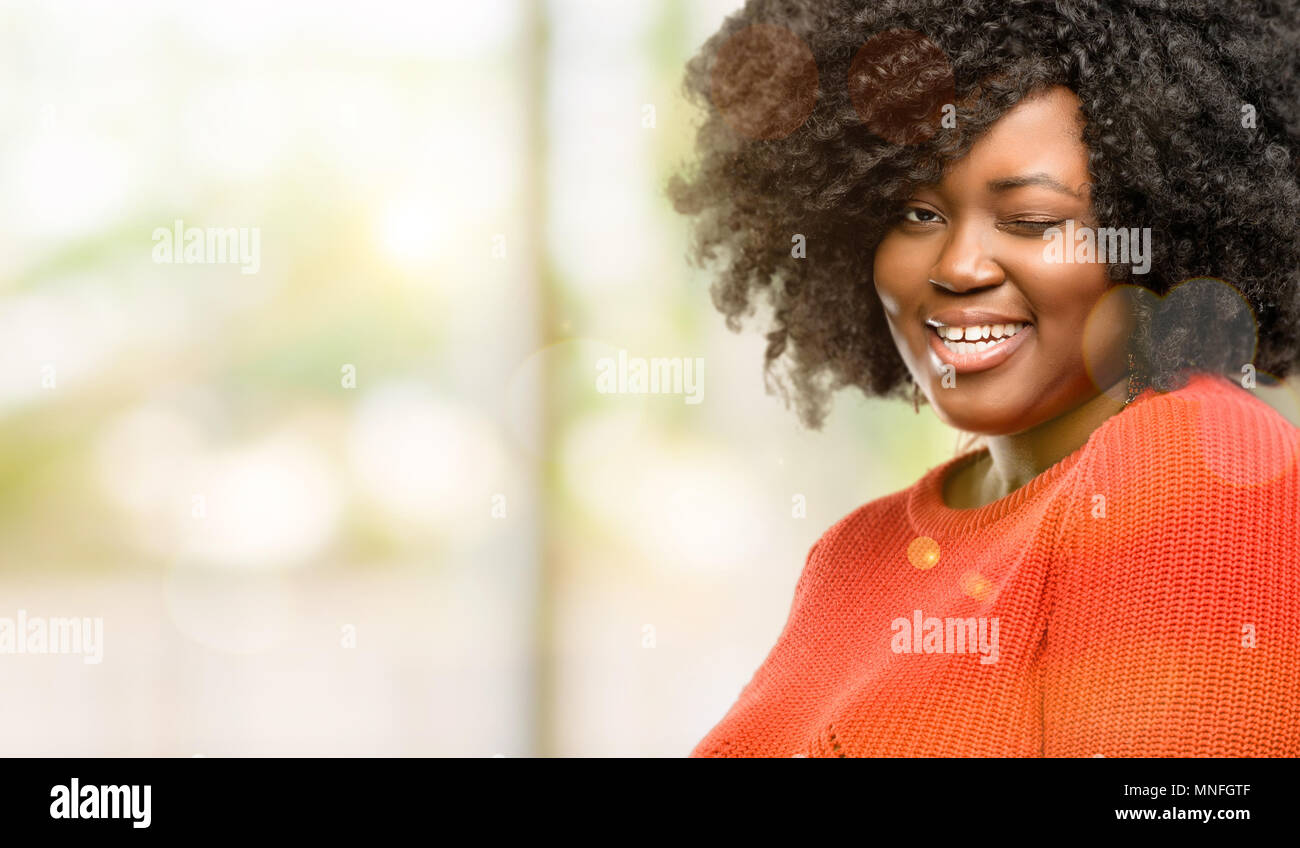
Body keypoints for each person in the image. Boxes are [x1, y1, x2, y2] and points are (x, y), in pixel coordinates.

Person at [669, 0, 1300, 756]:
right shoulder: (855, 552)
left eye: (1031, 220)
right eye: (915, 214)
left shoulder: (1200, 467)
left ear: (1157, 234)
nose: (959, 267)